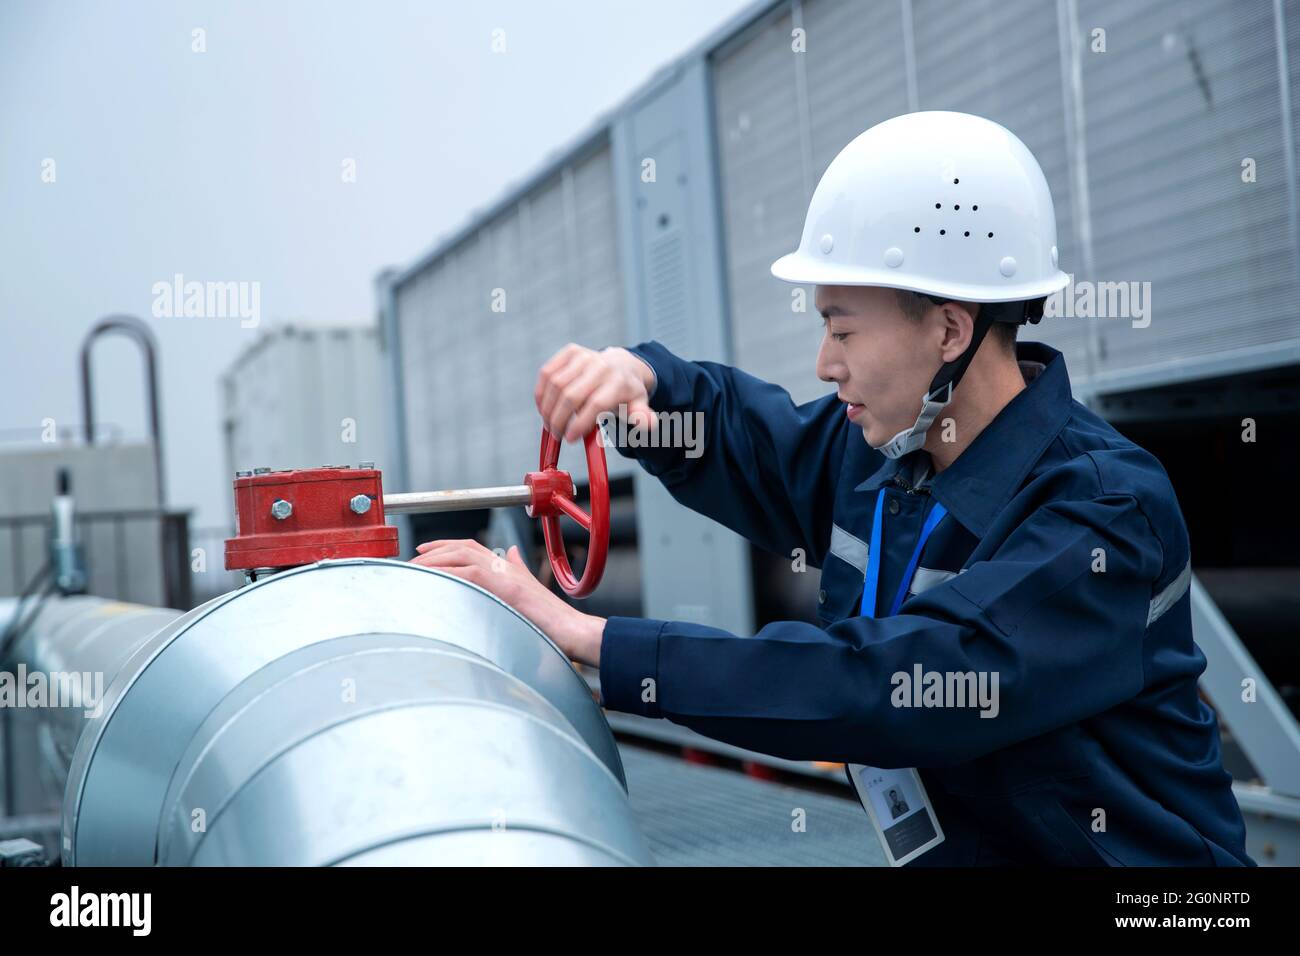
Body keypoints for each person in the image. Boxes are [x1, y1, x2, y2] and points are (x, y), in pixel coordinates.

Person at [413, 111, 1252, 866]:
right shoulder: (884, 453)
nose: (825, 364)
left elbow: (893, 683)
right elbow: (750, 441)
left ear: (951, 329)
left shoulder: (1102, 512)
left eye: (842, 327)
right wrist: (639, 387)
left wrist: (590, 636)